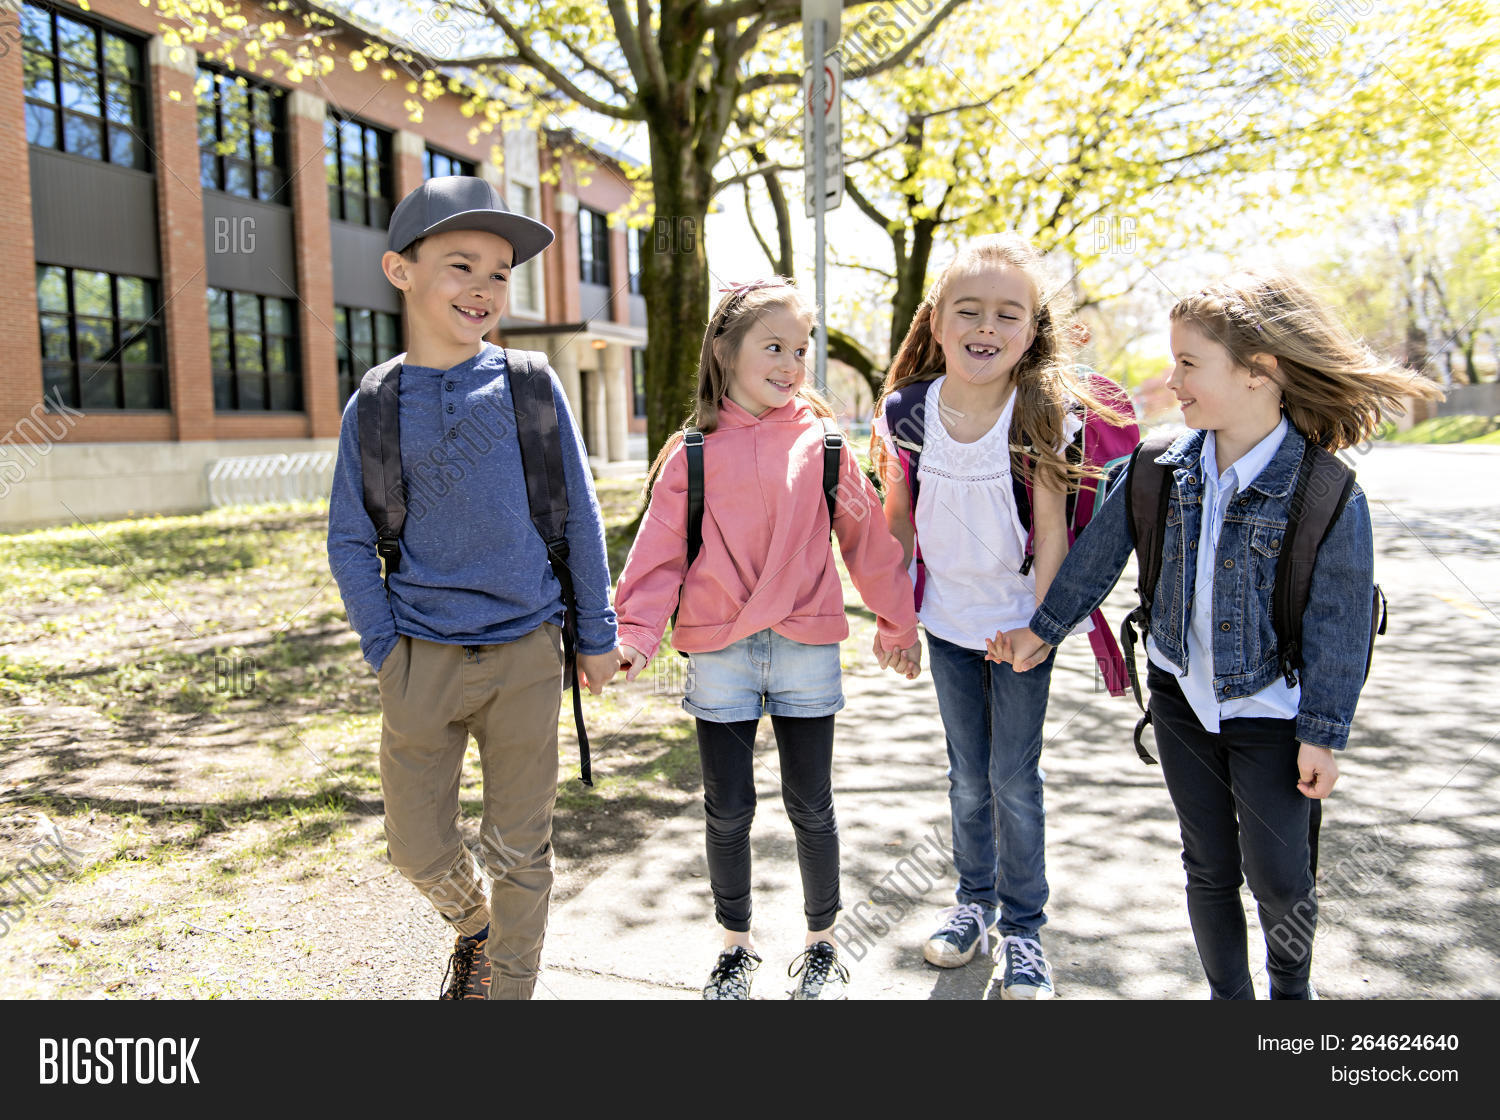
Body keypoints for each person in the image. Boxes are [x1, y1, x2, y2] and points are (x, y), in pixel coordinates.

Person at [1000, 270, 1443, 998]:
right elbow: (1095, 563)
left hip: (1273, 714)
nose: (1171, 380)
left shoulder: (1327, 491)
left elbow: (1341, 622)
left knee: (1280, 879)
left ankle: (1289, 996)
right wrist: (1040, 633)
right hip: (1183, 702)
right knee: (1206, 866)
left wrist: (1324, 733)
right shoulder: (1156, 468)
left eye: (1188, 363)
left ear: (1259, 374)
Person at [327, 176, 620, 1000]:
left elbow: (582, 517)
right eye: (461, 265)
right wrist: (387, 652)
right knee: (414, 844)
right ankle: (474, 927)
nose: (483, 288)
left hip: (527, 652)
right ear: (400, 270)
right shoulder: (376, 404)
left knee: (521, 849)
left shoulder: (530, 385)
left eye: (499, 272)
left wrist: (594, 634)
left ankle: (507, 994)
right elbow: (349, 538)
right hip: (420, 657)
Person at [613, 278, 921, 1000]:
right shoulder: (690, 451)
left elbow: (869, 547)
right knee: (728, 808)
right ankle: (735, 946)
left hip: (806, 649)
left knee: (811, 804)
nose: (790, 363)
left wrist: (897, 623)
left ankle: (821, 946)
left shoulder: (828, 446)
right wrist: (633, 635)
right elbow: (658, 556)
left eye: (801, 349)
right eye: (773, 346)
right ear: (724, 350)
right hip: (717, 653)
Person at [870, 233, 1128, 999]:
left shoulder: (1040, 411)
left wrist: (1040, 631)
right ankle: (972, 906)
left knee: (1013, 778)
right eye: (969, 310)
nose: (987, 327)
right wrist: (896, 619)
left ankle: (1024, 929)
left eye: (1007, 315)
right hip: (949, 624)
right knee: (966, 778)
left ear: (1031, 329)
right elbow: (896, 521)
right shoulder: (907, 411)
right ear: (938, 321)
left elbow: (1051, 530)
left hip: (1018, 629)